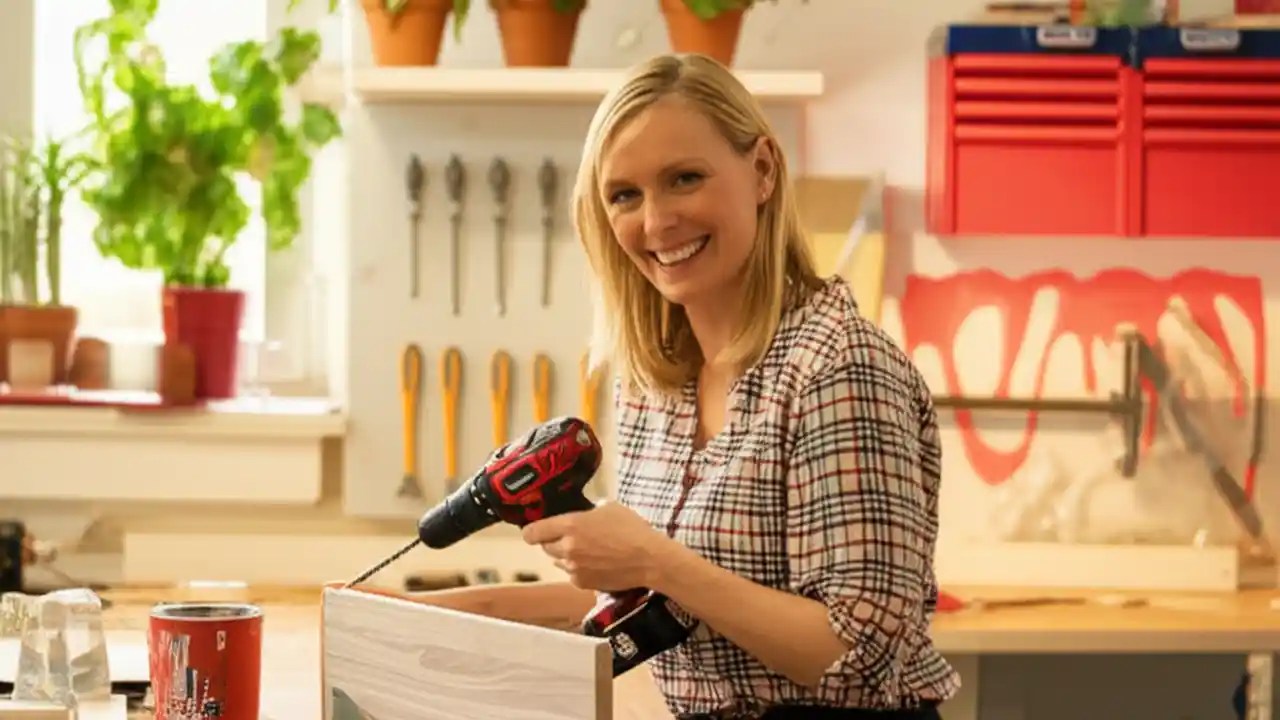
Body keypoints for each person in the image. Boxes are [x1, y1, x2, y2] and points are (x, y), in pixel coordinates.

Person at [516, 52, 960, 719]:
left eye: (684, 179)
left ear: (761, 171)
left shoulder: (836, 365)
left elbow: (860, 654)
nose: (656, 221)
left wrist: (656, 560)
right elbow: (656, 601)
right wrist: (417, 612)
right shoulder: (653, 383)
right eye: (625, 195)